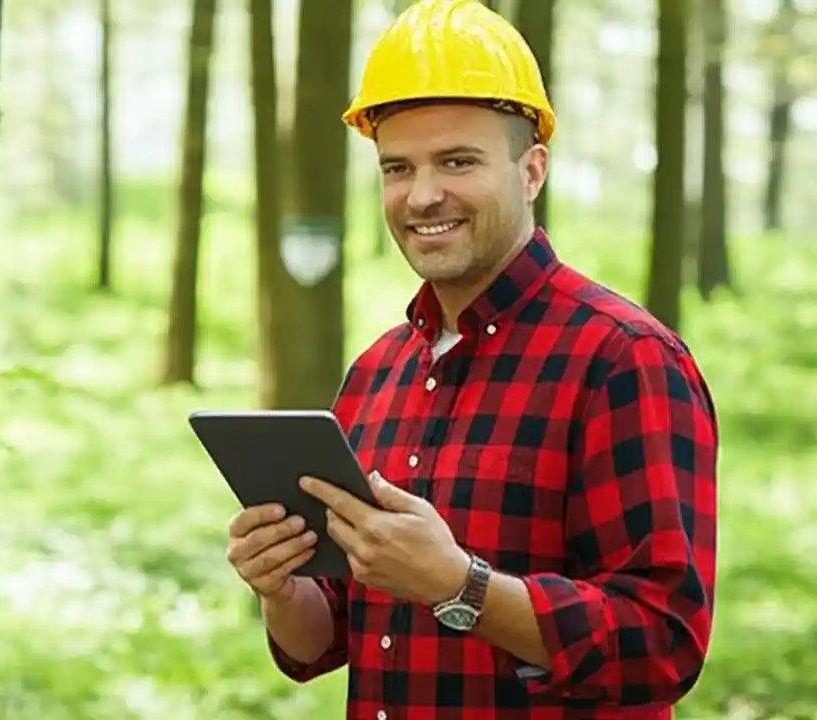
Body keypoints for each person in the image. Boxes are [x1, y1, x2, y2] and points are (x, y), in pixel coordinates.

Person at [223, 0, 719, 717]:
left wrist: (460, 586)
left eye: (458, 161)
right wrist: (280, 588)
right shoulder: (376, 374)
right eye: (398, 168)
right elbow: (326, 637)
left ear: (532, 171)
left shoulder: (622, 360)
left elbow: (664, 643)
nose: (423, 196)